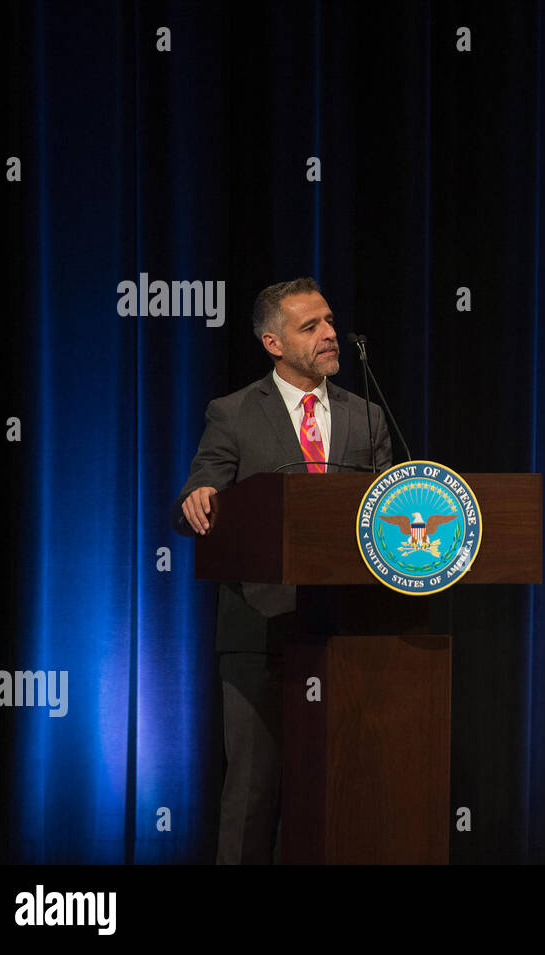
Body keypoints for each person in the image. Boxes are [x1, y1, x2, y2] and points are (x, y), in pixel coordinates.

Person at [169, 277, 392, 864]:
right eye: (309, 326)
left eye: (328, 321)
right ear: (273, 342)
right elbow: (201, 486)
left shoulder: (367, 415)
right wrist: (199, 498)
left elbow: (390, 510)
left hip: (346, 629)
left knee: (340, 789)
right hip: (259, 626)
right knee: (253, 791)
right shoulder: (235, 412)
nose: (328, 335)